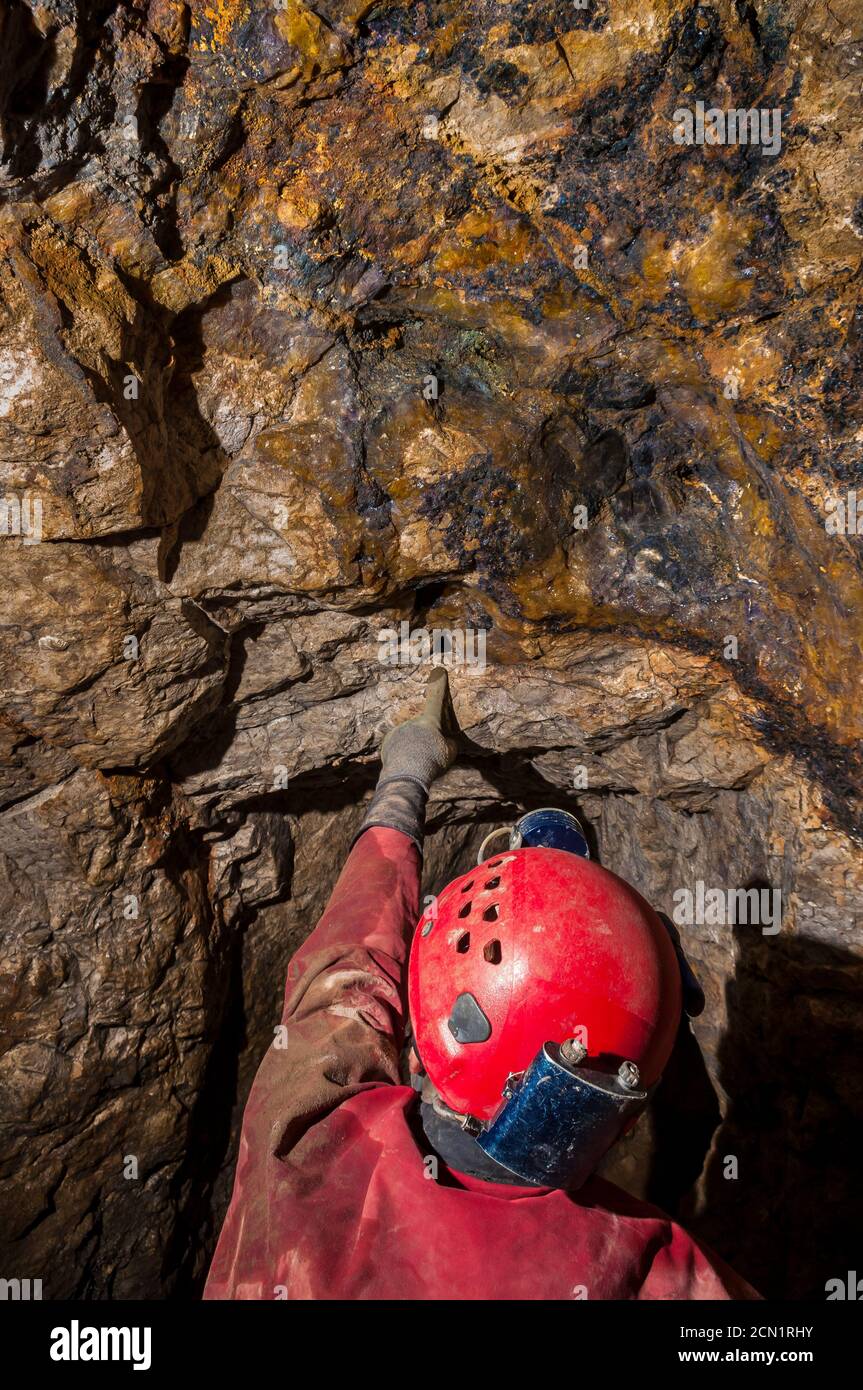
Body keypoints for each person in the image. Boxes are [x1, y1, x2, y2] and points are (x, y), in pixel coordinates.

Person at [204, 670, 757, 1300]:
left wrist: (403, 782)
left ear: (423, 1034)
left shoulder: (307, 1152)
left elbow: (344, 979)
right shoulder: (657, 1268)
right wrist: (643, 989)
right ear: (622, 1111)